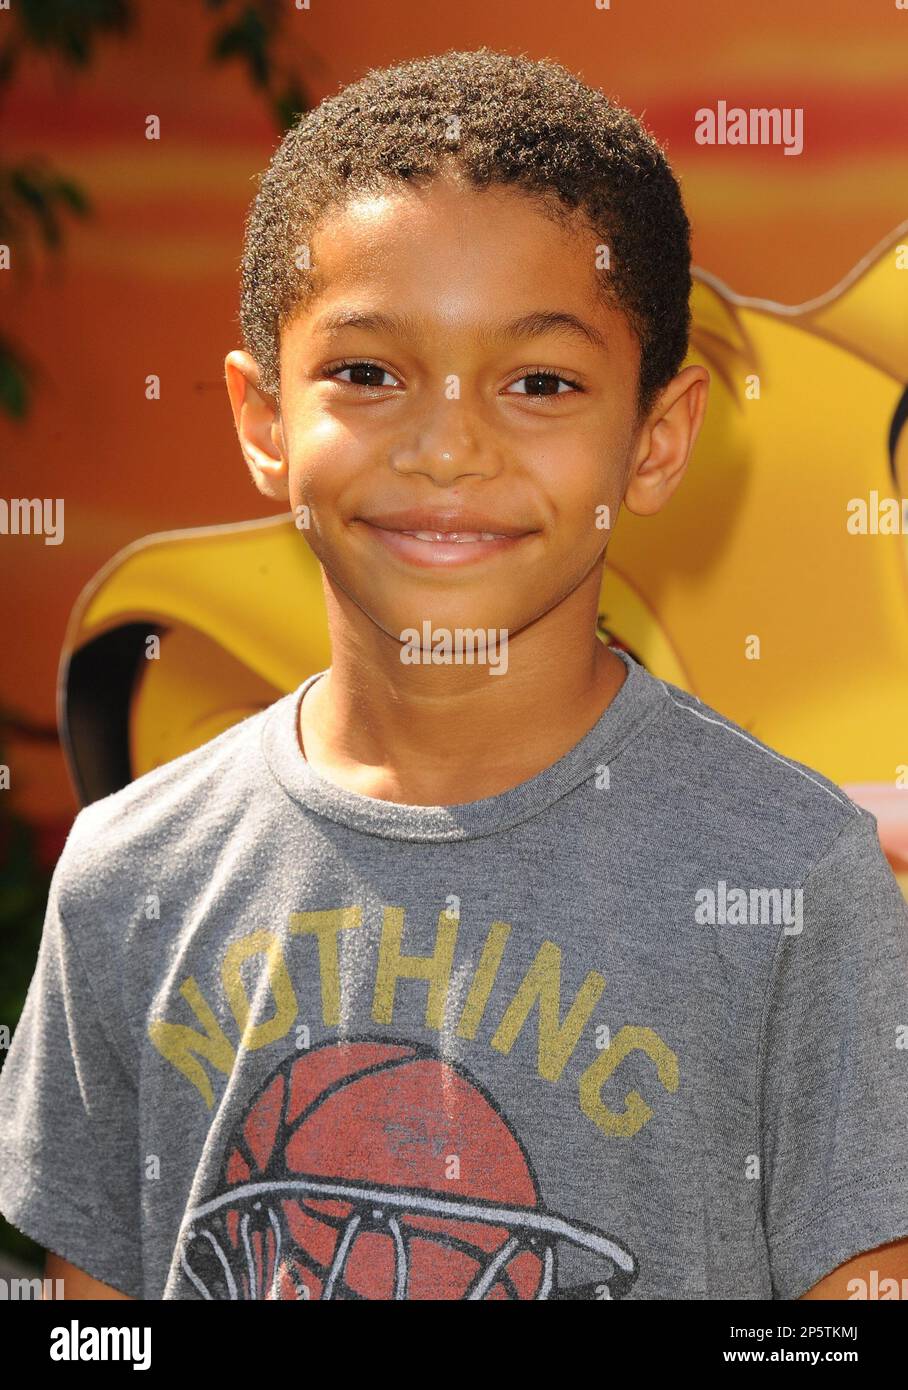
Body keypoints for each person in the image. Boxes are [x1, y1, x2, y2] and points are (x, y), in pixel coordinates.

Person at [1, 48, 906, 1302]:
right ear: (263, 420)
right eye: (367, 373)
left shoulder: (793, 873)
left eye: (539, 382)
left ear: (655, 439)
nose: (445, 445)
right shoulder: (128, 874)